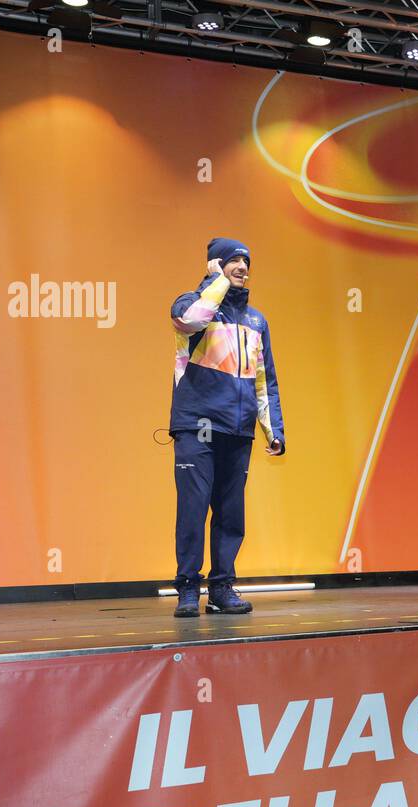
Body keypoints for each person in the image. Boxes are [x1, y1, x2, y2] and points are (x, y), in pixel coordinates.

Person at [168, 238, 286, 617]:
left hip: (238, 430)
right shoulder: (191, 303)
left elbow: (265, 379)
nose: (243, 267)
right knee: (193, 508)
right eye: (234, 261)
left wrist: (274, 428)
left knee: (231, 514)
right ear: (215, 265)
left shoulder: (256, 321)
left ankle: (222, 588)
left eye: (246, 262)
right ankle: (188, 589)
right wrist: (215, 281)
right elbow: (192, 321)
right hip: (196, 425)